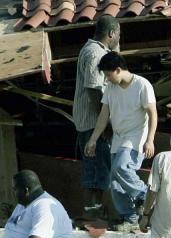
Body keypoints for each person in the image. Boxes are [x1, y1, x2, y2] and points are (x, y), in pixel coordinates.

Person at [85, 51, 157, 233]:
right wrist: (93, 139)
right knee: (114, 183)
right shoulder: (111, 88)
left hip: (136, 136)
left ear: (118, 70)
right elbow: (103, 115)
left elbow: (153, 113)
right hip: (118, 137)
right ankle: (130, 219)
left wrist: (150, 140)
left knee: (121, 167)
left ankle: (145, 195)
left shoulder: (142, 85)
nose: (107, 79)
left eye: (108, 75)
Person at [72, 15, 120, 220]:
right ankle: (93, 216)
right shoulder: (94, 53)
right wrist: (105, 124)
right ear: (111, 33)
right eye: (118, 33)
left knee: (99, 171)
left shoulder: (96, 51)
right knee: (96, 172)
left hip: (91, 122)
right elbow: (94, 92)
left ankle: (95, 213)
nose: (119, 38)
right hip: (93, 123)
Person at [1, 171, 77, 238]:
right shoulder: (23, 204)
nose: (13, 193)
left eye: (15, 189)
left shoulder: (44, 205)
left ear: (26, 190)